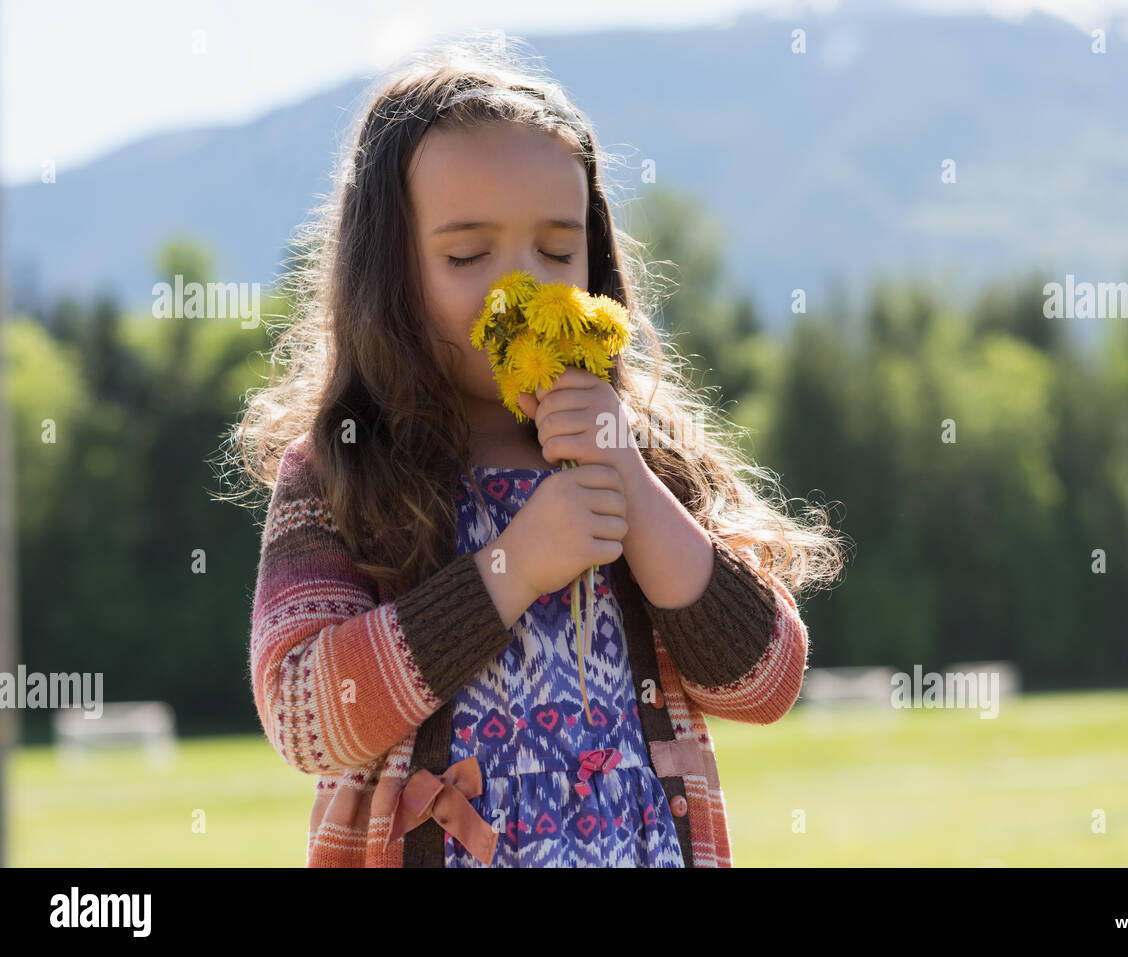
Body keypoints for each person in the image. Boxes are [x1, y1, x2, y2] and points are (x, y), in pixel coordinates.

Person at [229, 35, 846, 867]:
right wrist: (514, 566)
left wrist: (628, 478)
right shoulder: (343, 472)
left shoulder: (640, 449)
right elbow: (306, 715)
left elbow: (766, 680)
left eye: (556, 251)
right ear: (388, 273)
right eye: (466, 255)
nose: (517, 287)